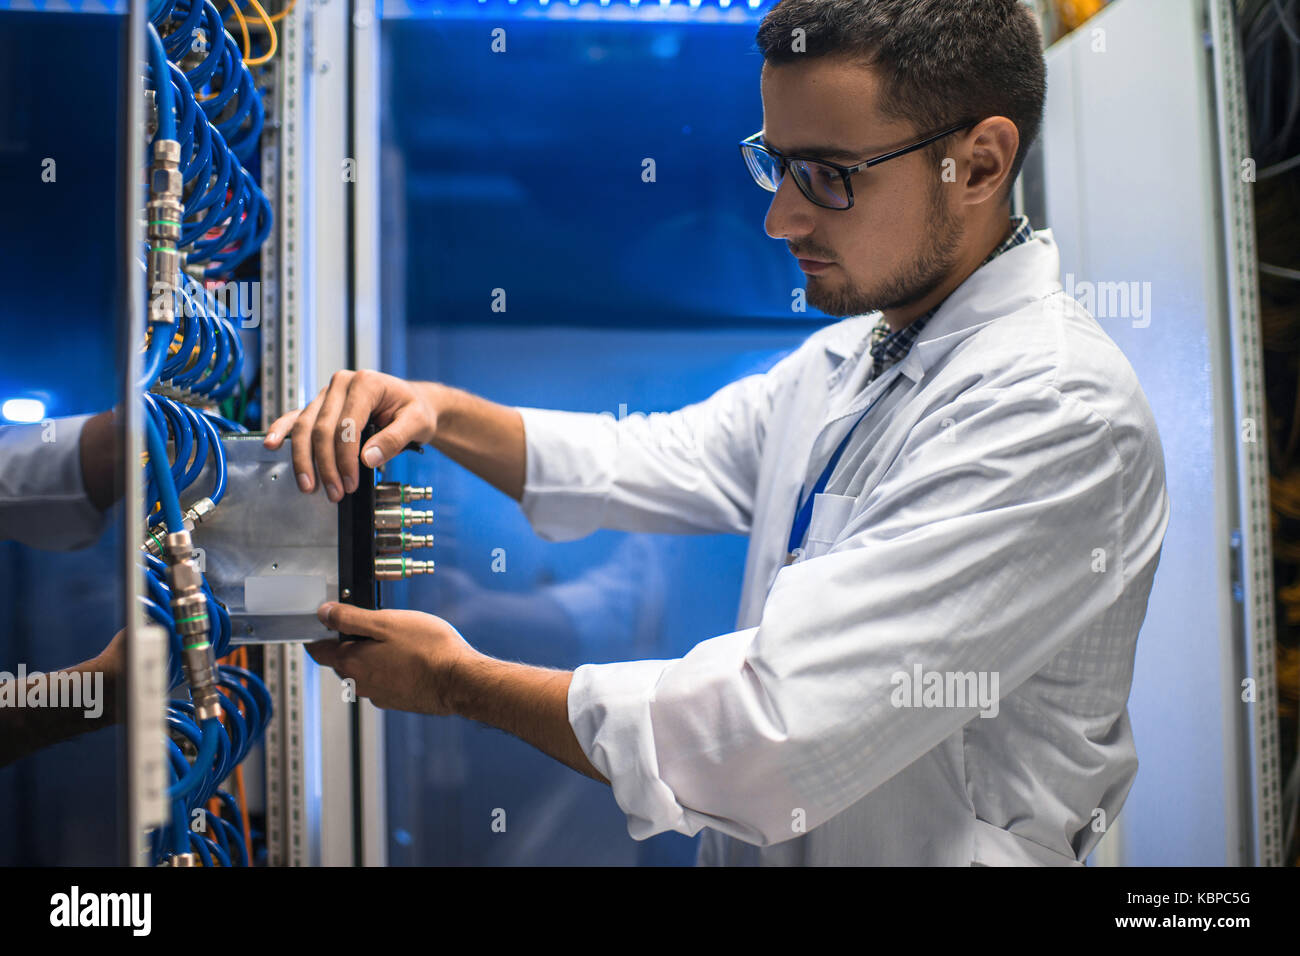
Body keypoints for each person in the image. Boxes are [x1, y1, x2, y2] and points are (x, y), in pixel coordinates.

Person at [265, 0, 1170, 865]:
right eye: (775, 164)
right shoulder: (856, 356)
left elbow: (768, 734)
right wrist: (440, 412)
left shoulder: (1053, 409)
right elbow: (654, 456)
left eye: (828, 175)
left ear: (976, 165)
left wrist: (460, 684)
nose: (780, 217)